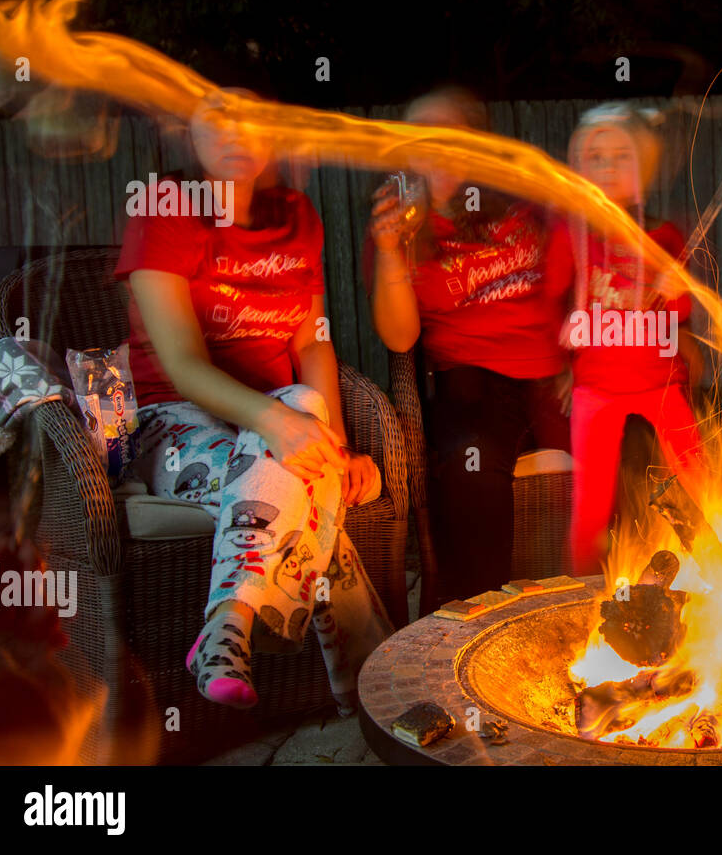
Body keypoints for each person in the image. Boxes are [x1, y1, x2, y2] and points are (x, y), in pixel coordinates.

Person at [116, 88, 392, 713]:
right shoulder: (165, 208)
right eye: (218, 116)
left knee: (299, 424)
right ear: (190, 135)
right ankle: (371, 690)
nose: (238, 130)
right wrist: (282, 422)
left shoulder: (296, 214)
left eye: (254, 118)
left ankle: (226, 626)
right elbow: (183, 369)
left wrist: (335, 444)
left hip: (285, 418)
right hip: (175, 422)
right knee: (300, 479)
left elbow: (314, 342)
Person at [366, 87, 573, 609]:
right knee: (468, 466)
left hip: (556, 375)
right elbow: (399, 338)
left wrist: (584, 355)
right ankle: (483, 623)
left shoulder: (525, 203)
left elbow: (581, 274)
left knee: (628, 435)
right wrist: (390, 254)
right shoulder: (401, 227)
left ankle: (623, 600)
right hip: (472, 383)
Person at [557, 103, 706, 576]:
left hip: (660, 382)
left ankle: (719, 573)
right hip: (595, 386)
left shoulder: (662, 236)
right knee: (591, 505)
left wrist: (675, 290)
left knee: (699, 478)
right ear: (579, 169)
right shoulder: (572, 233)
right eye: (595, 156)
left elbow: (681, 313)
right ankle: (578, 596)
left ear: (643, 169)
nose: (607, 166)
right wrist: (561, 363)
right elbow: (549, 302)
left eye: (622, 155)